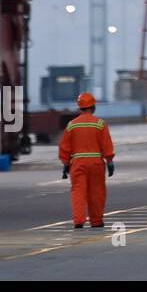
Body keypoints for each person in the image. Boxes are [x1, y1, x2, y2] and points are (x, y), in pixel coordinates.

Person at [58, 92, 115, 229]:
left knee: (78, 192)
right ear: (93, 107)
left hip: (78, 163)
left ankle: (78, 221)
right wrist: (110, 161)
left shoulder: (72, 125)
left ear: (79, 108)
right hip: (96, 163)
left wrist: (66, 164)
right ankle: (96, 221)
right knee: (97, 192)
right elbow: (106, 144)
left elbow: (64, 146)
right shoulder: (100, 124)